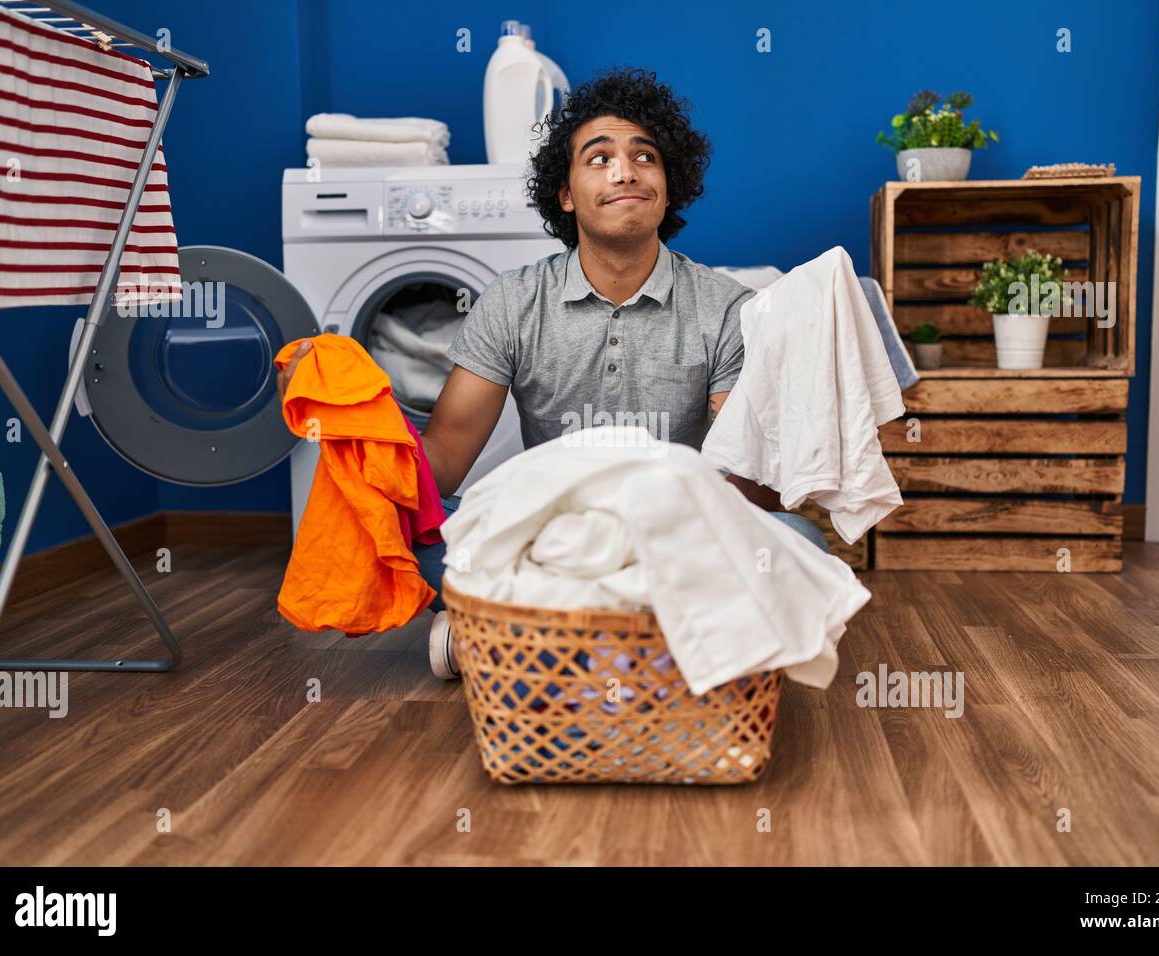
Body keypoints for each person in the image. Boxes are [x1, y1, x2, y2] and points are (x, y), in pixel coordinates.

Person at [277, 67, 828, 679]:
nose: (624, 171)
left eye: (645, 157)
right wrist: (350, 417)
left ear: (668, 189)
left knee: (797, 541)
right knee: (411, 527)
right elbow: (444, 460)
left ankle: (508, 642)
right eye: (599, 158)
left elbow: (745, 485)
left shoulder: (728, 309)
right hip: (549, 540)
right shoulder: (513, 302)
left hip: (678, 540)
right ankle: (663, 652)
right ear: (565, 194)